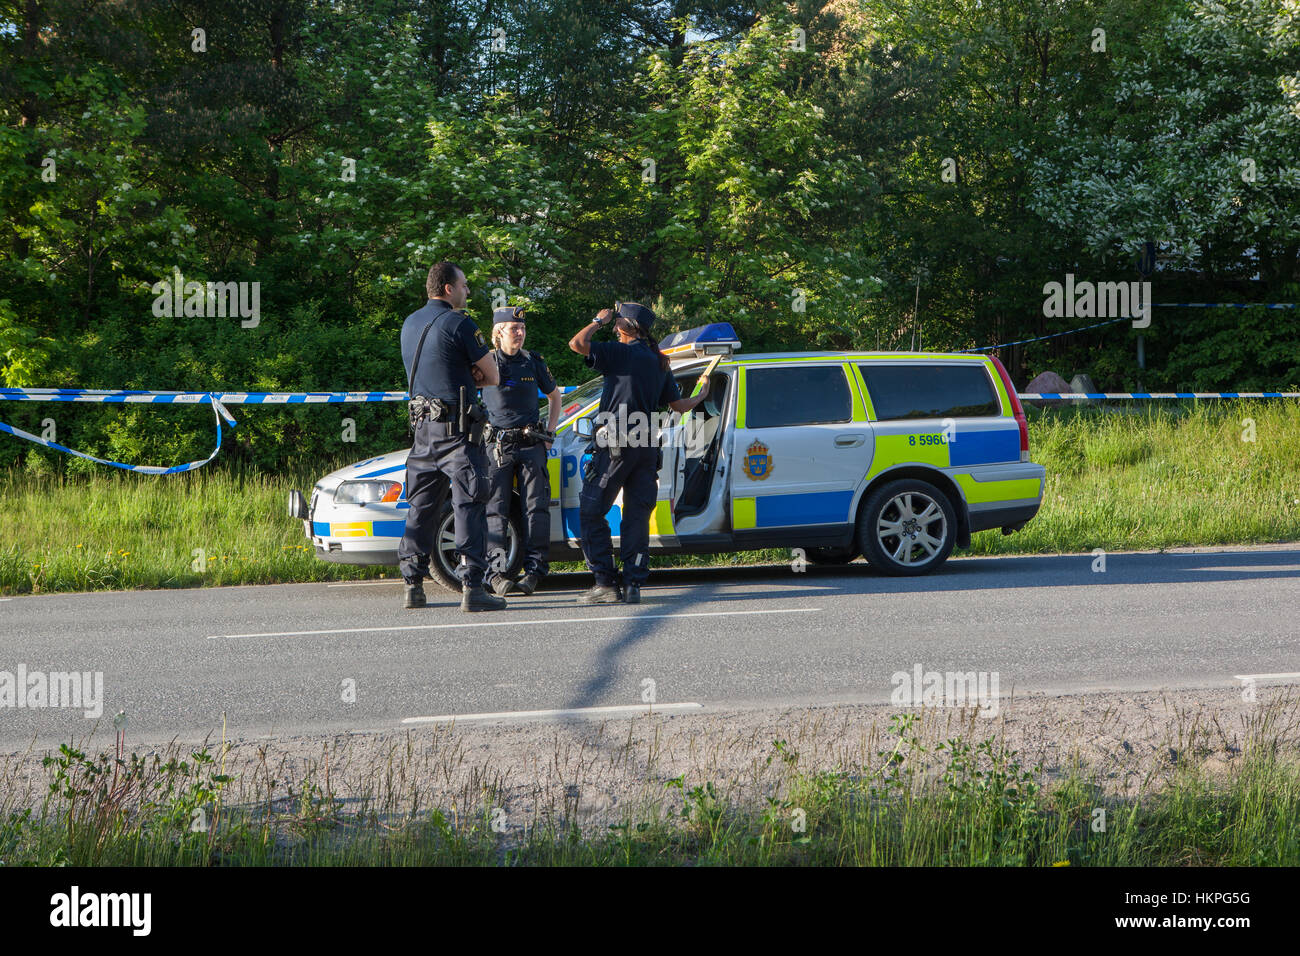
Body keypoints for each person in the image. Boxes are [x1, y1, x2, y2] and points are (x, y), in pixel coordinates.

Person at [567, 302, 710, 604]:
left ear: (625, 326)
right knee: (635, 518)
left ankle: (605, 583)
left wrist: (597, 319)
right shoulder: (659, 362)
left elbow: (577, 344)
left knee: (591, 510)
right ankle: (633, 584)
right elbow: (679, 406)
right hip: (646, 444)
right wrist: (702, 394)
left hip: (617, 444)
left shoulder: (622, 354)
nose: (613, 322)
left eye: (617, 319)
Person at [398, 261, 507, 612]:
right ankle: (473, 587)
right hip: (456, 433)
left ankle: (412, 585)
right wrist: (467, 374)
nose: (467, 291)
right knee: (470, 504)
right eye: (463, 285)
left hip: (422, 432)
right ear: (448, 288)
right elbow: (492, 376)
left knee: (421, 508)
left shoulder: (410, 323)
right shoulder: (460, 324)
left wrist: (457, 373)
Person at [481, 306, 562, 597]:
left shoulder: (533, 362)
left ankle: (534, 573)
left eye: (523, 328)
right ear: (499, 331)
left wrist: (550, 433)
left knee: (536, 510)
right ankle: (496, 574)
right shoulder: (485, 363)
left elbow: (555, 397)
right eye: (514, 328)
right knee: (496, 512)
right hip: (497, 447)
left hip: (531, 445)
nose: (520, 333)